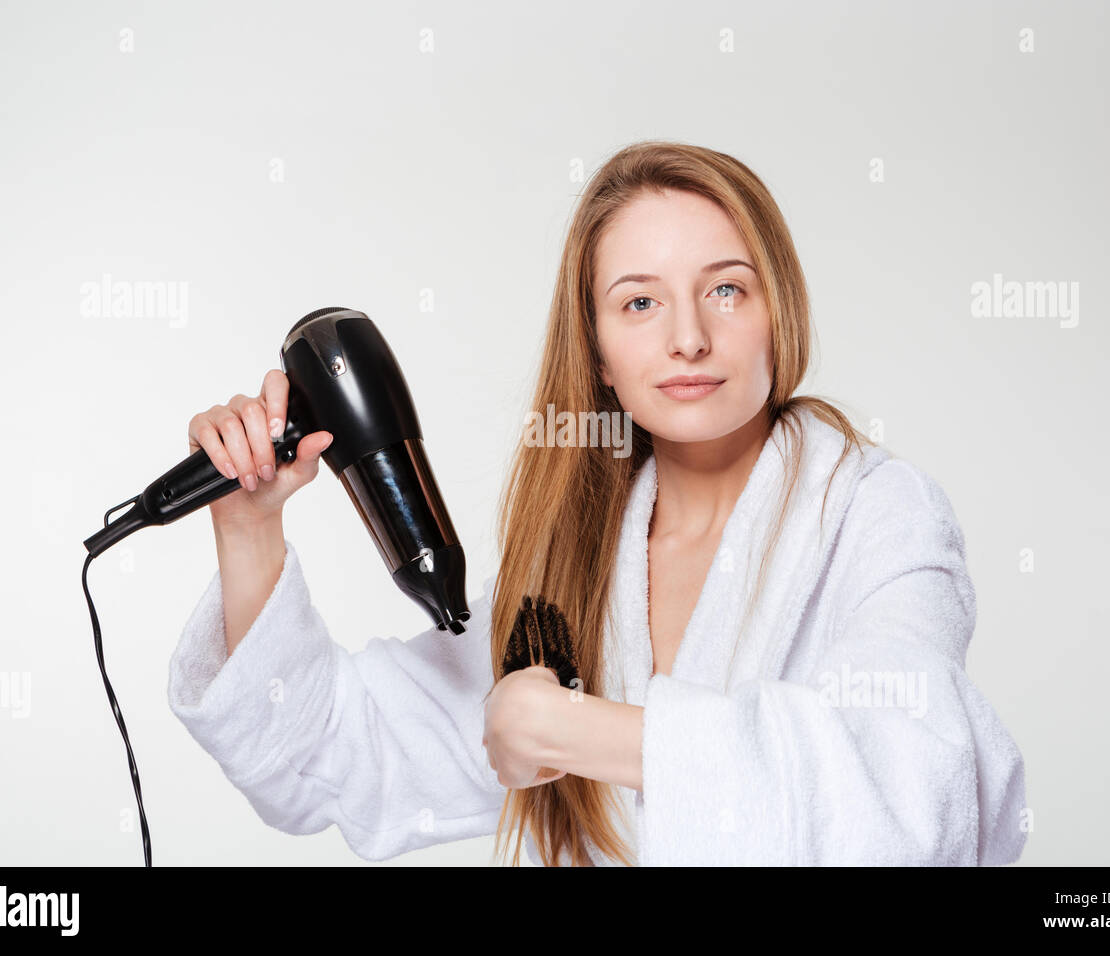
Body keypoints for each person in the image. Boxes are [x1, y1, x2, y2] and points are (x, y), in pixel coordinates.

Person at [169, 140, 1028, 867]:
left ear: (781, 312)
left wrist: (580, 731)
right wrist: (250, 528)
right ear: (602, 356)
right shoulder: (574, 563)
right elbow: (333, 755)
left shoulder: (877, 515)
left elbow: (917, 799)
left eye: (726, 288)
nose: (688, 335)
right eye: (640, 302)